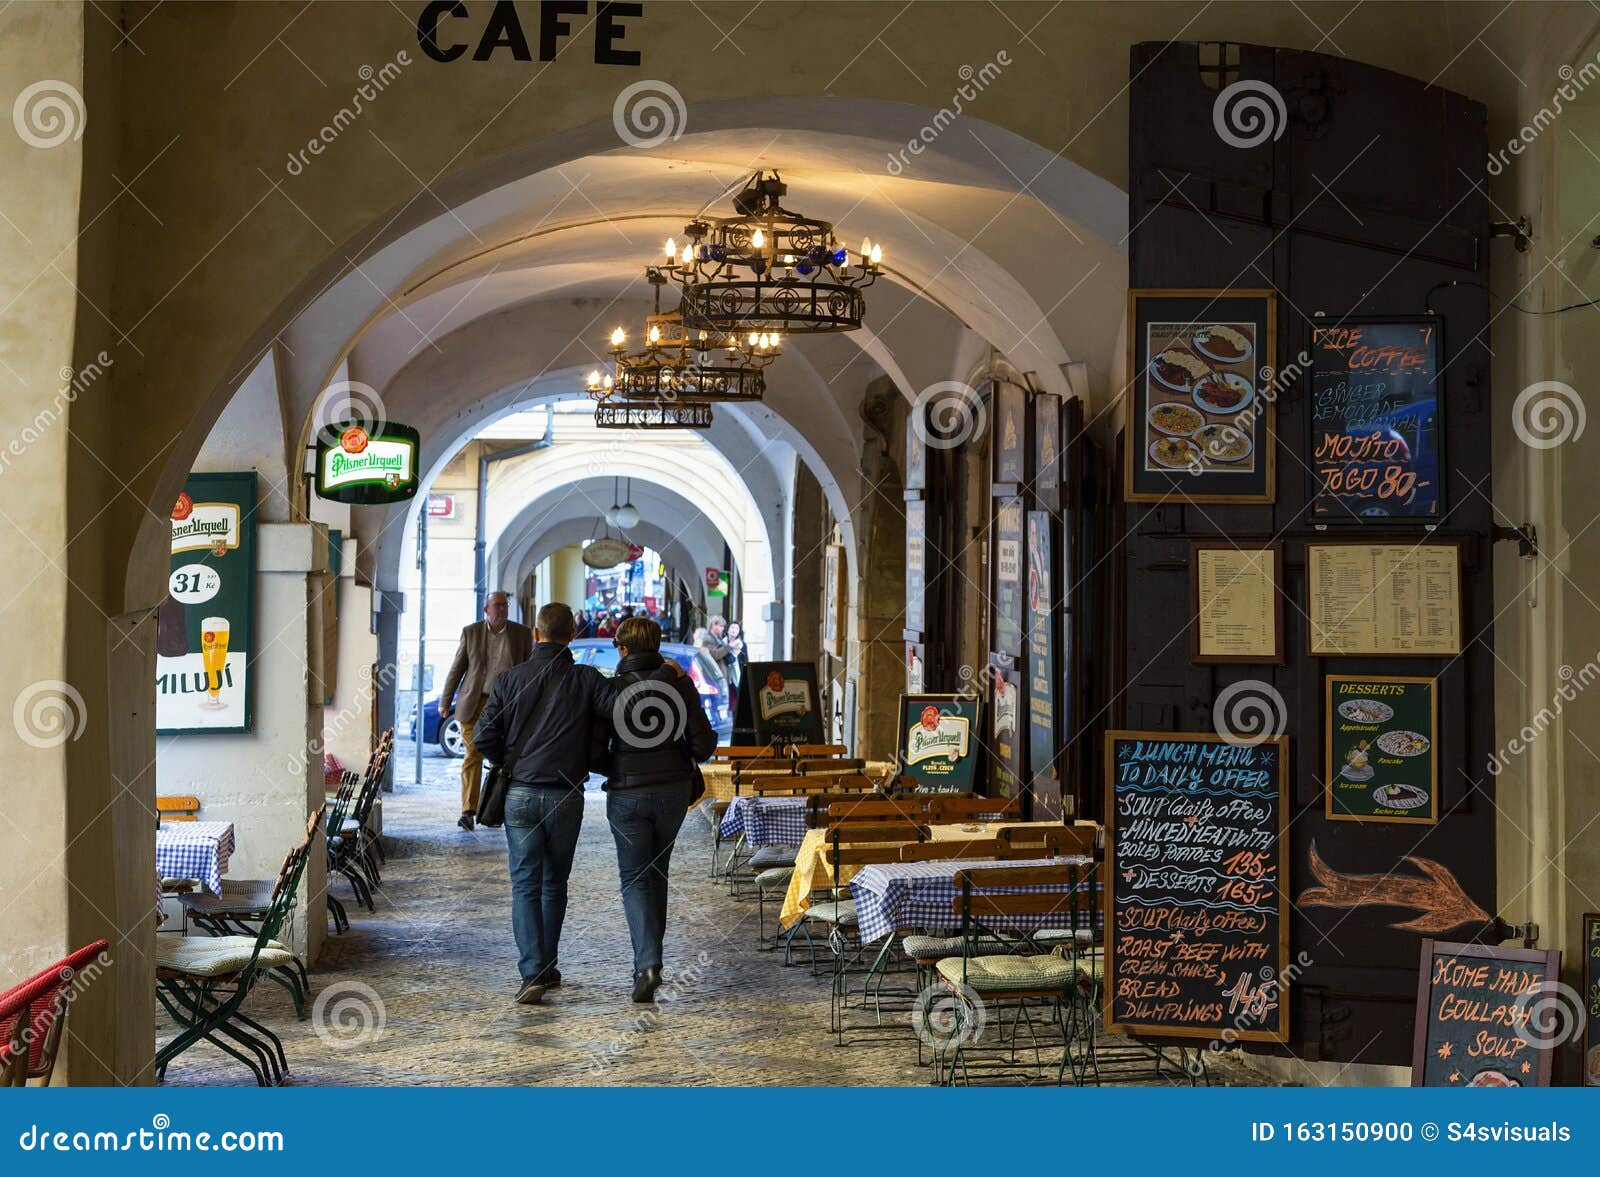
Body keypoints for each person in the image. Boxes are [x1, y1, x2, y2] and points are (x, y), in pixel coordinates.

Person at [472, 601, 606, 1006]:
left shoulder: (510, 680)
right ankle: (546, 965)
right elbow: (616, 717)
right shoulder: (587, 679)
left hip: (521, 795)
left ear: (535, 633)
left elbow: (482, 738)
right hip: (566, 796)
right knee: (554, 883)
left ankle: (533, 970)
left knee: (525, 883)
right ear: (572, 635)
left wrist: (508, 759)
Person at [601, 616, 716, 1003]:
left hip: (627, 793)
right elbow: (703, 746)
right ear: (657, 645)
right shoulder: (680, 685)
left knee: (635, 877)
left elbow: (597, 744)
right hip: (672, 791)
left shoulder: (613, 688)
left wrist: (615, 764)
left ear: (623, 649)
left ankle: (646, 964)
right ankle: (651, 961)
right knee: (658, 872)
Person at [439, 591, 532, 831]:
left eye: (504, 605)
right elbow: (457, 669)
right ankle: (468, 811)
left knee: (501, 758)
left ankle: (494, 809)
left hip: (507, 704)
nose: (502, 609)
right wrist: (445, 700)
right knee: (473, 753)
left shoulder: (521, 634)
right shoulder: (471, 633)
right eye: (497, 605)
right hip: (475, 702)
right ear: (486, 610)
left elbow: (530, 670)